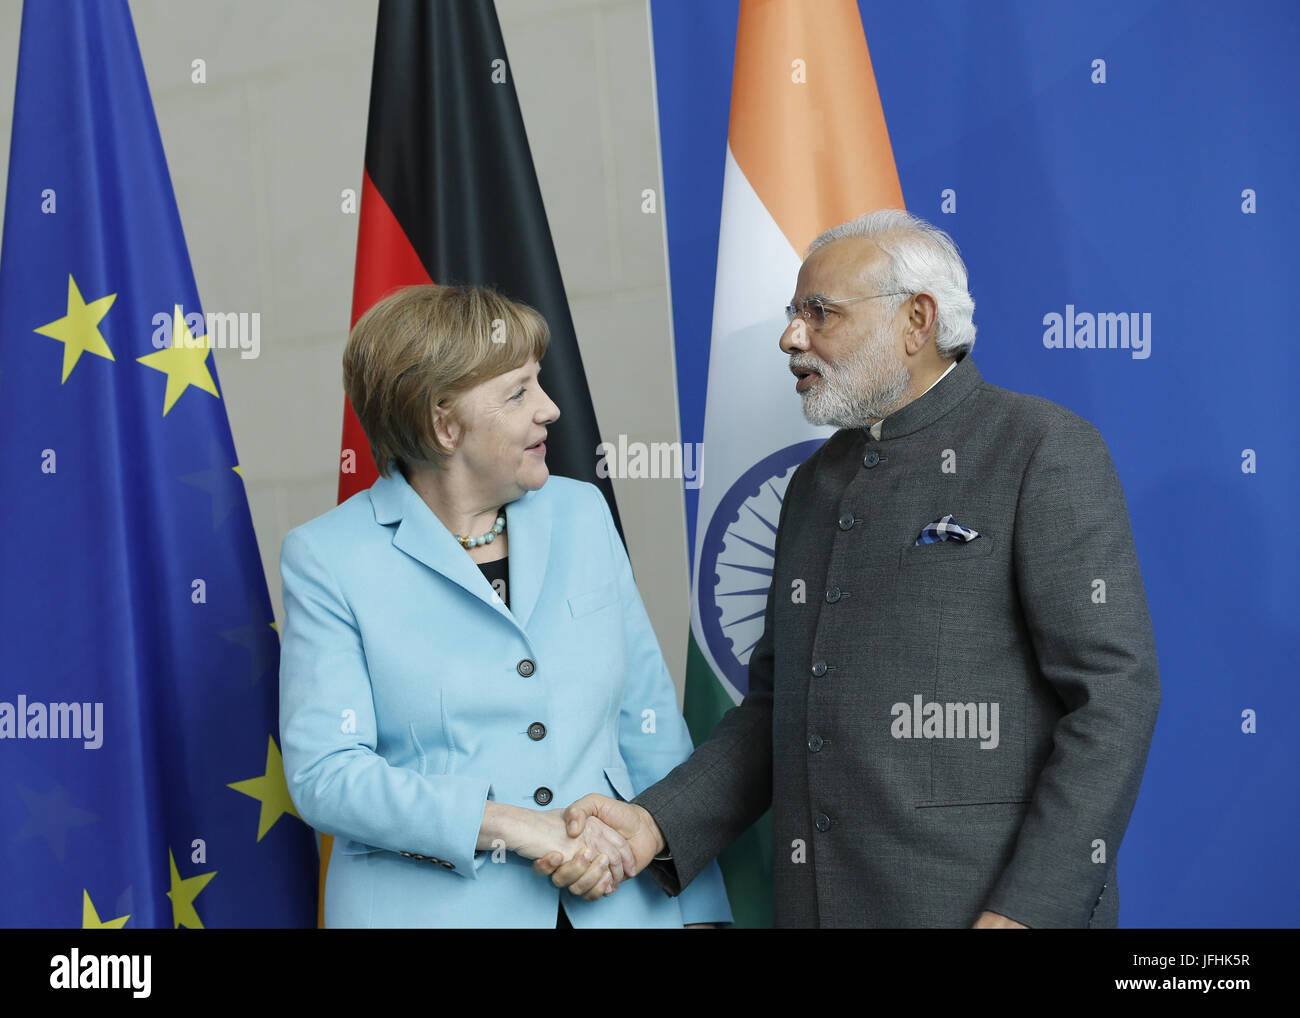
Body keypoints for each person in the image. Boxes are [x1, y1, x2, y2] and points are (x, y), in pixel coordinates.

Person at [539, 209, 1161, 928]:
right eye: (792, 313)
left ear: (917, 321)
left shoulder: (1040, 448)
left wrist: (1030, 911)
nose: (790, 337)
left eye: (819, 313)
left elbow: (1113, 700)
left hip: (980, 910)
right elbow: (778, 712)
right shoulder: (815, 483)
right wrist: (654, 824)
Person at [278, 283, 731, 928]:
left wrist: (699, 907)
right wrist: (517, 827)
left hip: (622, 905)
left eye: (538, 383)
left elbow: (648, 724)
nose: (550, 409)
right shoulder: (328, 558)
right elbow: (328, 775)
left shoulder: (582, 513)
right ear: (444, 423)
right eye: (518, 393)